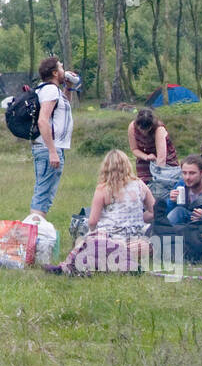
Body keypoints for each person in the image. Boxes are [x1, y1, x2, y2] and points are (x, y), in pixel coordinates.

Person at [29, 56, 74, 216]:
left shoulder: (52, 91)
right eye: (61, 67)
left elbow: (63, 109)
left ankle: (36, 231)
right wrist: (52, 151)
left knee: (44, 193)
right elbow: (43, 121)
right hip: (49, 147)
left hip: (51, 147)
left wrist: (68, 88)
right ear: (55, 73)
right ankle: (35, 233)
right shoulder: (50, 90)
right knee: (43, 195)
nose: (64, 71)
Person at [85, 149, 155, 237]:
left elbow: (92, 222)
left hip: (111, 235)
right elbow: (153, 211)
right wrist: (136, 219)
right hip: (136, 234)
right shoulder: (139, 184)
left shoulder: (103, 188)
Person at [127, 108, 178, 185]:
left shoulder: (159, 129)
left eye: (147, 129)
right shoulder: (132, 127)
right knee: (144, 185)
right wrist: (146, 157)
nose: (144, 132)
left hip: (165, 160)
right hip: (144, 159)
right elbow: (134, 149)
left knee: (163, 184)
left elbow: (161, 159)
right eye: (141, 129)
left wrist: (158, 178)